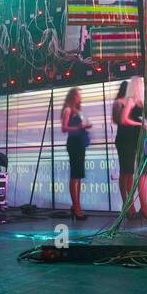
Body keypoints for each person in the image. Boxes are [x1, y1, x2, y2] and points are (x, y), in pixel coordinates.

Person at [113, 80, 147, 219]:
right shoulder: (119, 102)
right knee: (125, 171)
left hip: (132, 139)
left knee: (130, 172)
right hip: (123, 139)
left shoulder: (134, 101)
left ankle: (131, 206)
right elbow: (119, 120)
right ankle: (127, 205)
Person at [59, 87, 92, 220]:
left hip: (80, 143)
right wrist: (79, 127)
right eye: (78, 95)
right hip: (73, 143)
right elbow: (64, 128)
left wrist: (85, 125)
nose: (80, 97)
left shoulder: (78, 111)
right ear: (73, 96)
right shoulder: (68, 109)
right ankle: (76, 206)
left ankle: (77, 205)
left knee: (78, 175)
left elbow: (82, 124)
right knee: (75, 175)